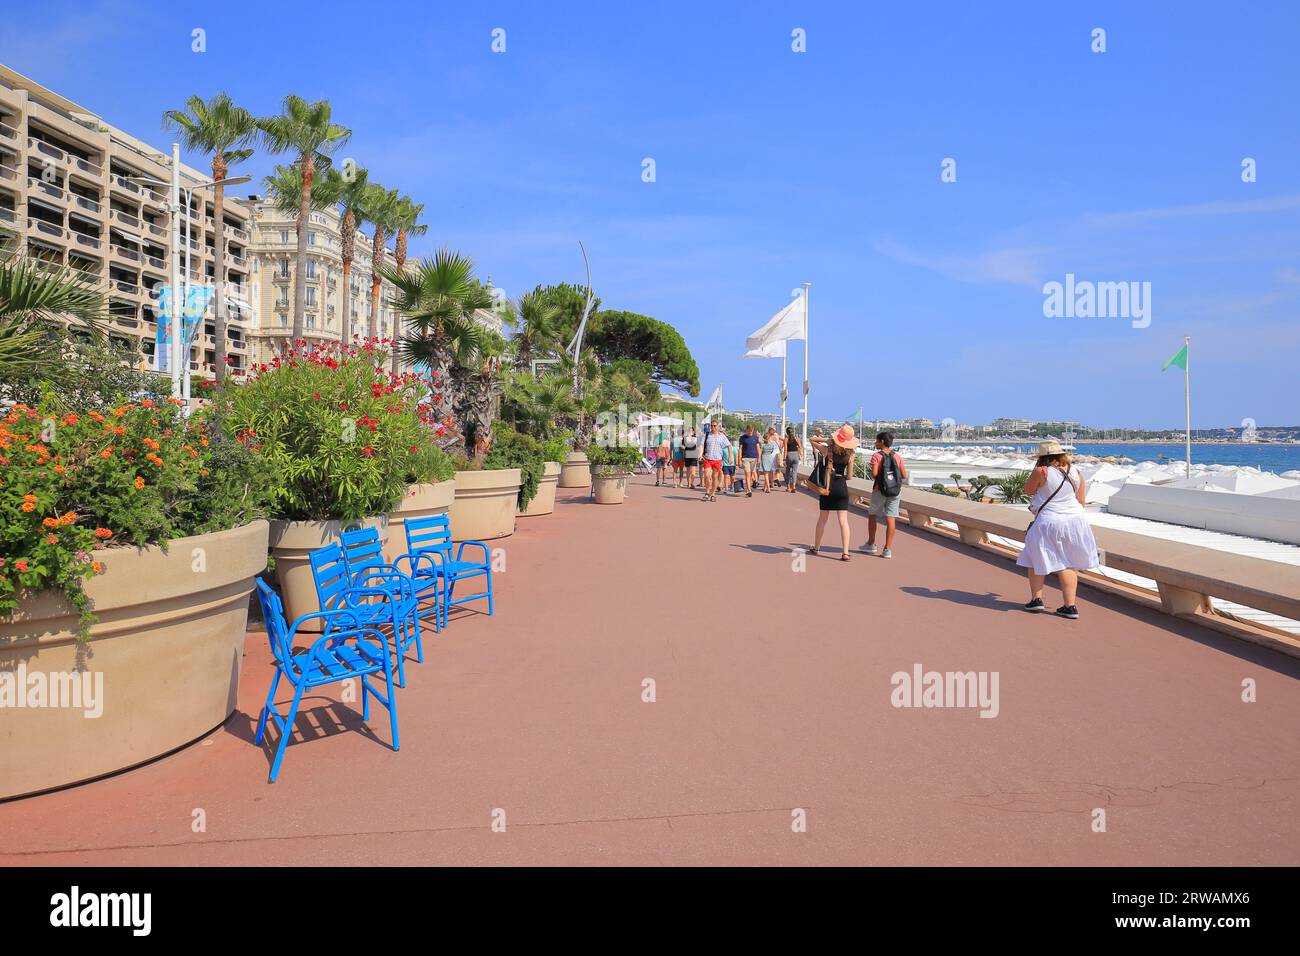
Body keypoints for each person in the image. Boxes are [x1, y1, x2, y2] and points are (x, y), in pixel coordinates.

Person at [1017, 440, 1098, 620]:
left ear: (1042, 457)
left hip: (1049, 521)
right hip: (1076, 522)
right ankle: (1070, 607)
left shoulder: (1042, 471)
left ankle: (1036, 599)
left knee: (1035, 557)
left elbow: (1028, 490)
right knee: (1068, 563)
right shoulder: (1076, 472)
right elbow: (1081, 500)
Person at [808, 425, 856, 560]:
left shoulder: (827, 450)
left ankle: (816, 547)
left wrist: (829, 440)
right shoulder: (850, 454)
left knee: (822, 519)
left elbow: (812, 439)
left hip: (828, 488)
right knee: (843, 521)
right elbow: (850, 476)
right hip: (841, 487)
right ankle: (845, 552)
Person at [864, 431, 907, 559]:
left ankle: (871, 544)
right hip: (895, 491)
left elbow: (875, 474)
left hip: (879, 490)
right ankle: (887, 549)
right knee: (891, 518)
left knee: (873, 515)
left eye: (876, 441)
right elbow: (904, 475)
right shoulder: (897, 456)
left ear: (882, 441)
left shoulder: (877, 456)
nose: (875, 443)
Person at [700, 420, 729, 501]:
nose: (713, 427)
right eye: (711, 426)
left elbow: (729, 446)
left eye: (714, 426)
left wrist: (730, 457)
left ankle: (713, 494)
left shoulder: (722, 436)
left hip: (717, 459)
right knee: (706, 475)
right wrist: (700, 454)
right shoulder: (706, 435)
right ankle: (707, 492)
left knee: (715, 477)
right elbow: (702, 445)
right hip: (707, 458)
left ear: (718, 426)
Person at [737, 424, 761, 498]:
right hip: (745, 458)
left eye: (752, 430)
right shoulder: (742, 438)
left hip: (753, 458)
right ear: (747, 430)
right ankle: (749, 490)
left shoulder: (755, 438)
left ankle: (749, 487)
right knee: (747, 474)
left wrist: (759, 458)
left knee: (751, 474)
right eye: (749, 430)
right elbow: (740, 449)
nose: (751, 432)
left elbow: (758, 448)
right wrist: (739, 460)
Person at [760, 427, 781, 493]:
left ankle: (768, 488)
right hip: (770, 458)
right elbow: (773, 449)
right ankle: (765, 487)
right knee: (769, 472)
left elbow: (761, 452)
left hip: (764, 458)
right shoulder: (772, 444)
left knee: (766, 474)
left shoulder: (763, 445)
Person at [782, 426, 801, 493]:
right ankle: (794, 487)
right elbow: (800, 447)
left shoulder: (786, 439)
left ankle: (788, 487)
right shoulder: (797, 438)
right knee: (794, 472)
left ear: (787, 432)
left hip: (789, 455)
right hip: (796, 455)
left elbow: (785, 450)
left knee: (787, 471)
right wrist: (800, 455)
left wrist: (784, 459)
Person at [720, 426, 737, 495]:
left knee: (732, 477)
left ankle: (732, 486)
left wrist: (737, 464)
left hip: (732, 465)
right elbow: (721, 457)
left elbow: (736, 456)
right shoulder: (723, 449)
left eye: (729, 441)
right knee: (726, 476)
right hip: (725, 464)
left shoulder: (734, 448)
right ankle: (726, 488)